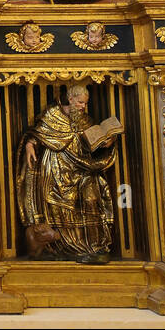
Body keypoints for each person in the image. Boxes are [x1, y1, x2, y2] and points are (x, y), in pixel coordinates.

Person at [15, 83, 118, 263]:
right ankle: (61, 246)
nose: (83, 107)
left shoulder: (85, 120)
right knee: (59, 207)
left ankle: (92, 246)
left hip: (82, 167)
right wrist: (30, 145)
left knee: (91, 200)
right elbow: (39, 134)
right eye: (79, 103)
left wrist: (106, 142)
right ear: (70, 99)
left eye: (85, 104)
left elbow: (92, 141)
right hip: (55, 167)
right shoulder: (52, 115)